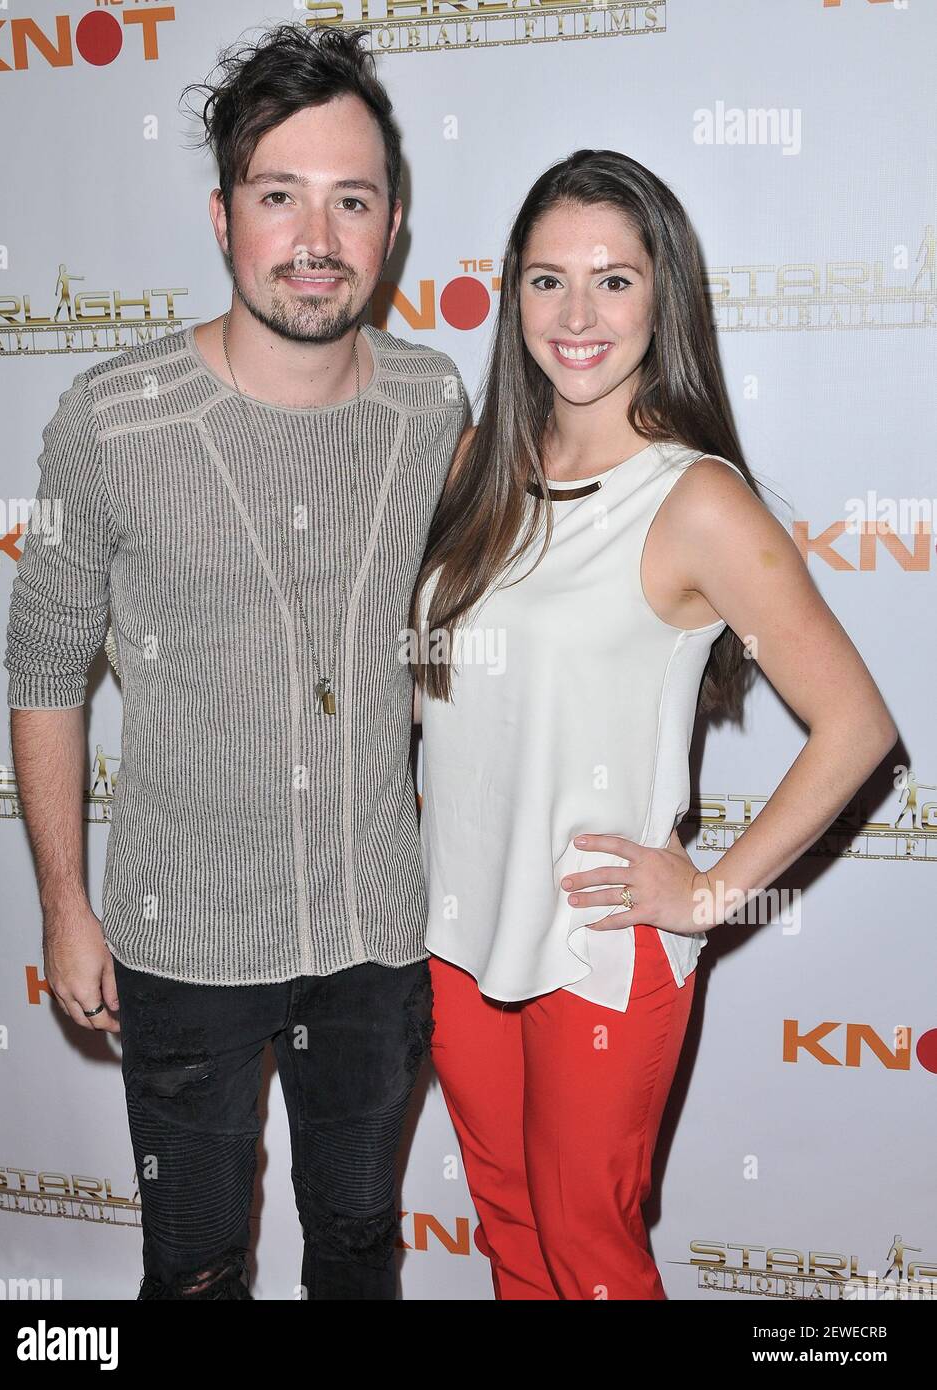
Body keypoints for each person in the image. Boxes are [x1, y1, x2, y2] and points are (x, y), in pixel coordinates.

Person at [4, 24, 468, 1300]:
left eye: (350, 198)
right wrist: (62, 899)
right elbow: (43, 662)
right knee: (196, 1265)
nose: (316, 234)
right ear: (223, 217)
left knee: (360, 1250)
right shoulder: (109, 416)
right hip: (177, 937)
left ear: (391, 226)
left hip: (379, 930)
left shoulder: (437, 404)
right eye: (280, 195)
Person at [408, 149, 898, 1300]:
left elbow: (855, 724)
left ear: (662, 297)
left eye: (614, 280)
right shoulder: (476, 462)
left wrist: (710, 893)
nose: (576, 315)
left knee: (587, 1259)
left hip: (595, 947)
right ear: (510, 295)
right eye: (546, 280)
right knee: (512, 1240)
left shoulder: (696, 499)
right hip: (451, 930)